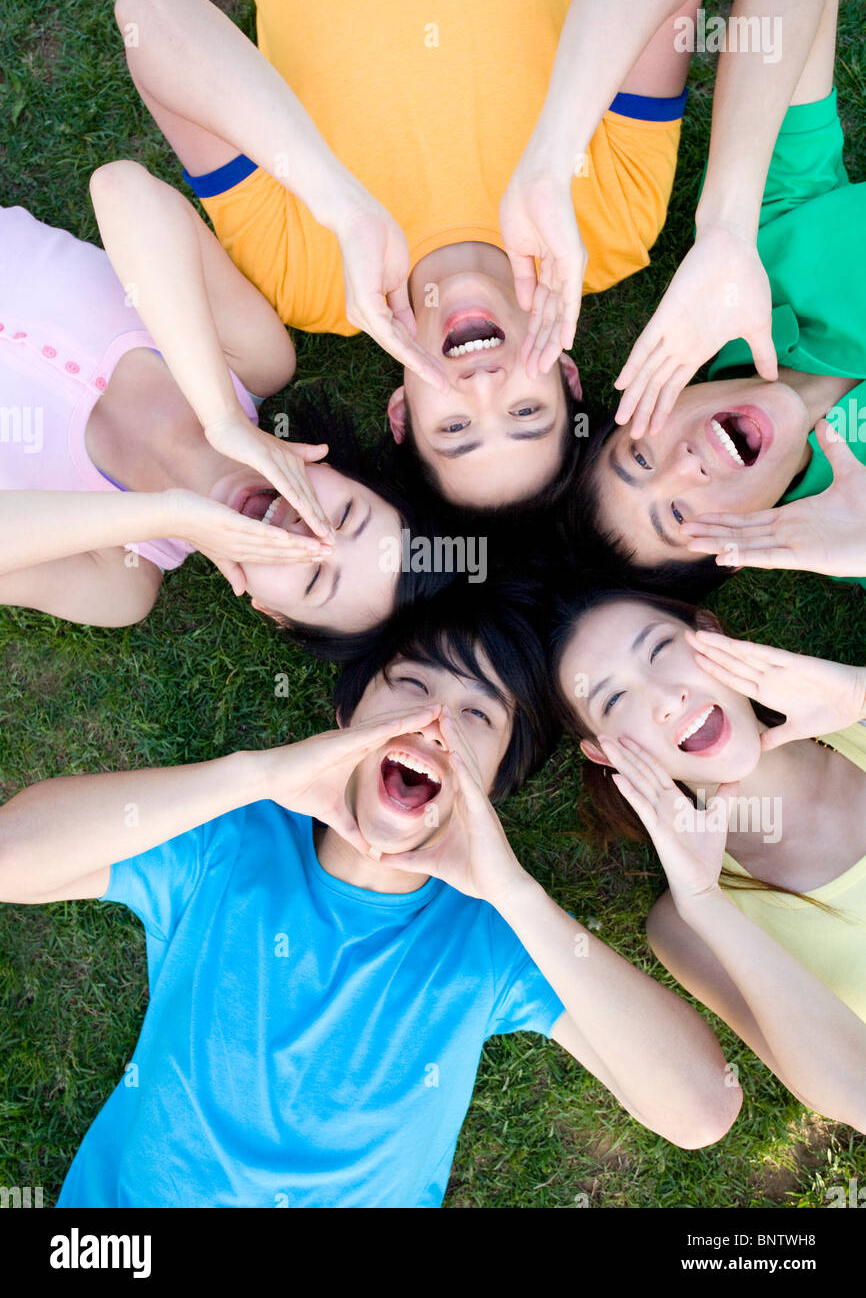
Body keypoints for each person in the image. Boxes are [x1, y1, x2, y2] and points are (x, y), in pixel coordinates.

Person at [0, 587, 738, 1208]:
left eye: (477, 717)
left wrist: (514, 894)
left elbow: (702, 1111)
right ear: (348, 714)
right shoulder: (225, 840)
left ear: (496, 784)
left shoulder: (496, 934)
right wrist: (257, 775)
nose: (433, 725)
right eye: (412, 686)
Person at [113, 0, 713, 510]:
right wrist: (554, 156)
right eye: (526, 411)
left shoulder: (307, 279)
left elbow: (147, 6)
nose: (484, 388)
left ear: (402, 415)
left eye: (455, 430)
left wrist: (340, 206)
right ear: (567, 376)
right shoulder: (612, 223)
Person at [0, 190, 450, 638]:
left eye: (315, 579)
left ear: (270, 610)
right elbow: (124, 191)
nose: (306, 537)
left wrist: (168, 515)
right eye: (347, 516)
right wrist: (221, 417)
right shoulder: (253, 360)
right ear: (336, 471)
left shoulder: (121, 578)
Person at [576, 0, 866, 594]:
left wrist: (729, 228)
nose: (686, 467)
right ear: (740, 543)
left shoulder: (758, 268)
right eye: (679, 514)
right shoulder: (853, 527)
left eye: (640, 454)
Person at [550, 584, 866, 1130]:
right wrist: (705, 902)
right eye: (614, 700)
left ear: (714, 636)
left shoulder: (856, 713)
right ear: (604, 752)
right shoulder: (689, 924)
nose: (665, 697)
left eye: (658, 650)